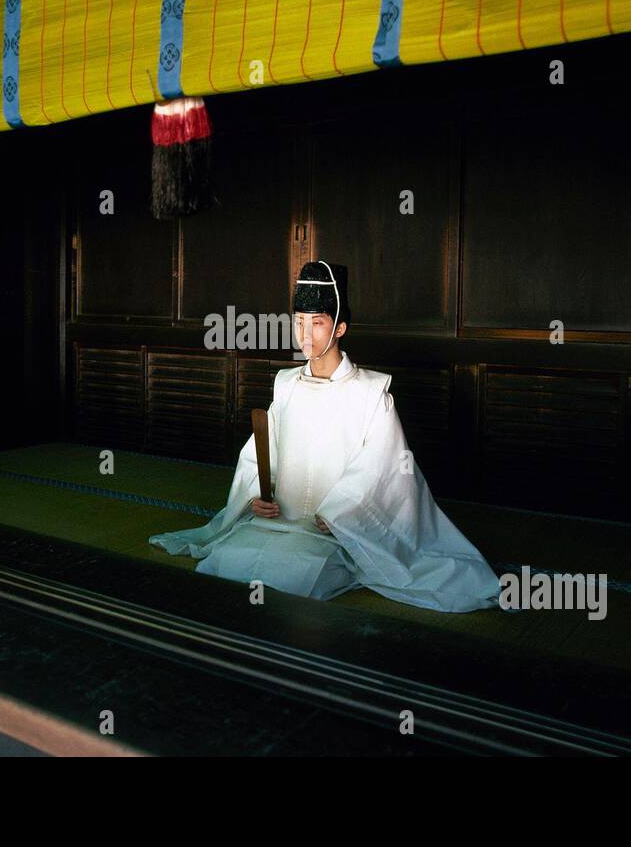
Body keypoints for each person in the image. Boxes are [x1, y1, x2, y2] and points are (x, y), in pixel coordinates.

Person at [148, 261, 502, 613]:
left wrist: (339, 512)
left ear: (341, 327)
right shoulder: (286, 385)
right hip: (276, 522)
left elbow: (384, 469)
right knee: (224, 563)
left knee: (290, 577)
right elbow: (260, 455)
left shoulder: (370, 393)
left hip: (335, 533)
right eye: (298, 322)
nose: (305, 335)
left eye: (316, 324)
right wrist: (257, 494)